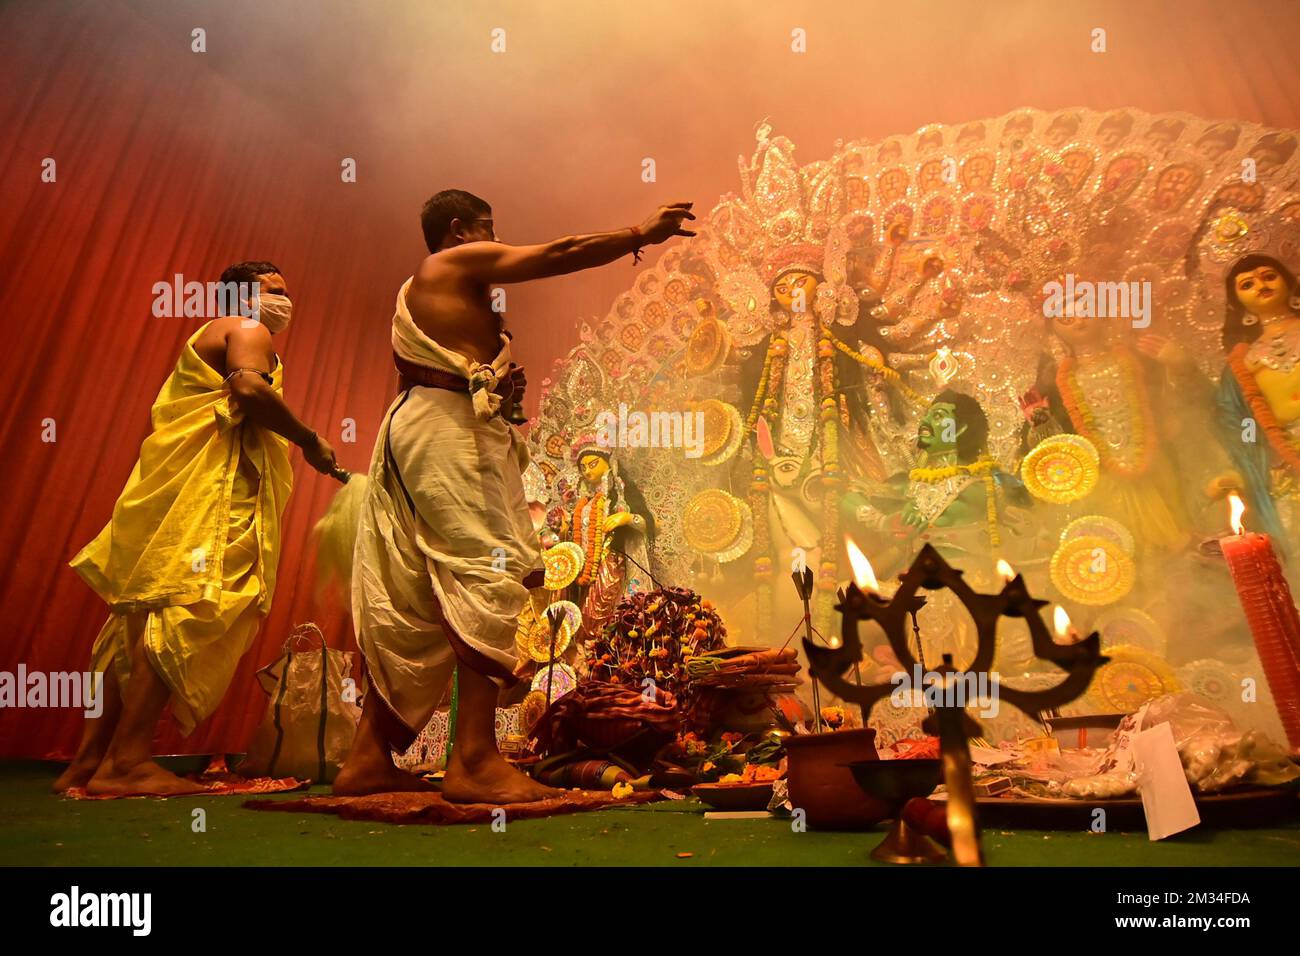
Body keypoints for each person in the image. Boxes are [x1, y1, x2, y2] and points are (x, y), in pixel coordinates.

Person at [335, 190, 694, 802]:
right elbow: (563, 251)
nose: (498, 241)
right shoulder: (448, 265)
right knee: (489, 572)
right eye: (488, 229)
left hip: (439, 425)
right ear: (457, 231)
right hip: (445, 430)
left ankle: (368, 758)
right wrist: (641, 232)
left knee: (428, 593)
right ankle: (474, 759)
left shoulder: (440, 289)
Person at [58, 261, 338, 796]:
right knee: (191, 606)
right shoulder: (247, 329)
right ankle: (128, 763)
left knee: (141, 616)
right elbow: (251, 392)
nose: (284, 299)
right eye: (272, 290)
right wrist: (307, 438)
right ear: (241, 296)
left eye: (287, 289)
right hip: (211, 491)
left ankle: (89, 762)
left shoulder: (207, 333)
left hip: (174, 492)